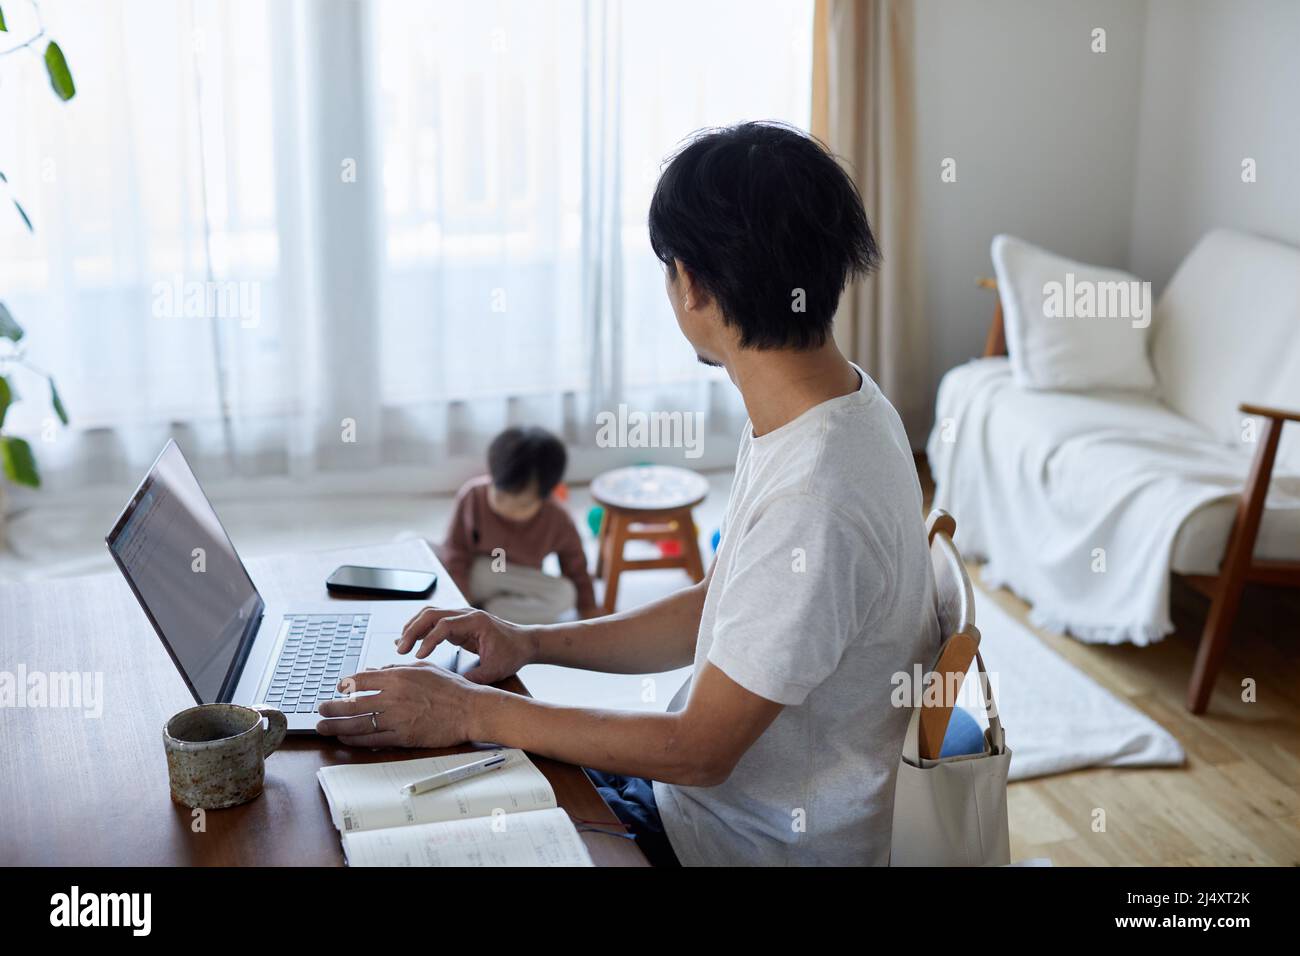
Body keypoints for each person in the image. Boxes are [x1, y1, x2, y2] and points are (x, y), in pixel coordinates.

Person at [319, 121, 941, 866]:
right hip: (701, 807)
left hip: (730, 843)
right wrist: (530, 642)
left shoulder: (815, 496)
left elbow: (699, 750)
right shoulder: (838, 409)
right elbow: (720, 607)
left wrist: (474, 709)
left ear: (694, 284)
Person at [437, 426, 597, 624]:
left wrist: (588, 609)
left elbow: (576, 567)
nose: (509, 509)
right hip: (477, 573)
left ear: (545, 497)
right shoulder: (473, 496)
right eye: (501, 496)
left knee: (565, 594)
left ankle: (486, 613)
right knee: (413, 545)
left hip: (520, 580)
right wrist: (461, 601)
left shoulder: (557, 518)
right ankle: (475, 610)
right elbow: (456, 550)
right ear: (492, 477)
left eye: (524, 505)